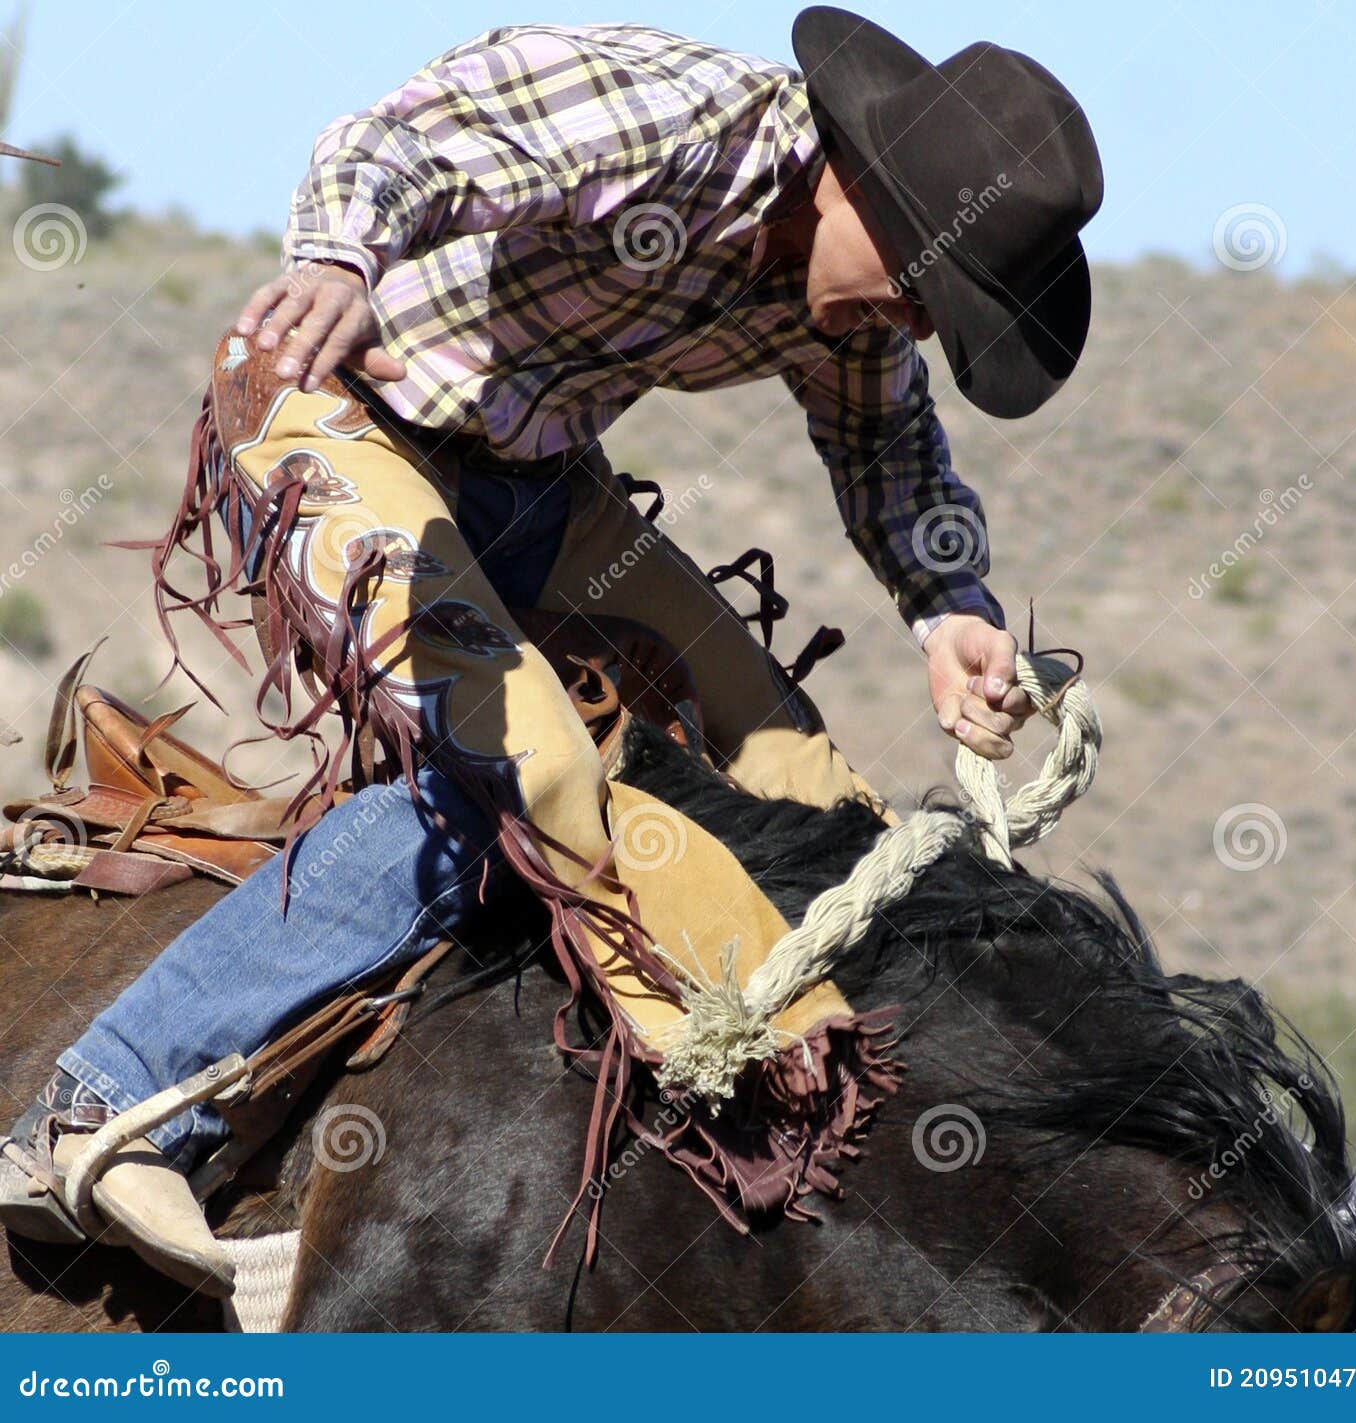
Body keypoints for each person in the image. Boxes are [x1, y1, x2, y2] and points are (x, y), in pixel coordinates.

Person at [0, 10, 1101, 1296]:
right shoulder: (675, 123)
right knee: (528, 768)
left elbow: (885, 449)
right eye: (920, 285)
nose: (910, 324)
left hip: (532, 487)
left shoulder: (852, 308)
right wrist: (345, 260)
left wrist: (948, 602)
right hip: (336, 407)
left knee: (803, 790)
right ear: (860, 177)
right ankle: (95, 1102)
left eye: (939, 311)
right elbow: (405, 141)